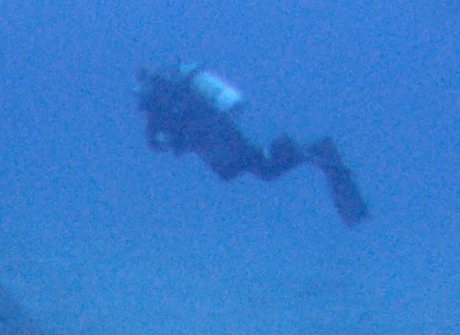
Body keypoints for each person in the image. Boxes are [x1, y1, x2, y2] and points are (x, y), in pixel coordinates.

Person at [136, 63, 369, 227]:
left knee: (262, 168)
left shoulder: (156, 102)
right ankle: (302, 150)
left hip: (215, 140)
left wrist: (170, 140)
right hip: (220, 133)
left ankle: (308, 149)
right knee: (258, 167)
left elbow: (154, 142)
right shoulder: (174, 89)